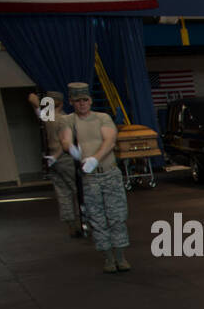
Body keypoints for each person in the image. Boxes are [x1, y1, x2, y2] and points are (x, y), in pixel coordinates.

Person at [59, 82, 130, 273]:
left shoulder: (102, 118)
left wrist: (95, 159)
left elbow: (110, 140)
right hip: (90, 179)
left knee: (117, 216)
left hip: (109, 173)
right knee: (97, 218)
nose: (82, 104)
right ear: (71, 102)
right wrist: (71, 150)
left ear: (90, 100)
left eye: (85, 100)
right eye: (77, 101)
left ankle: (120, 257)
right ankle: (108, 259)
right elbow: (65, 139)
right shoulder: (69, 120)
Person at [28, 90, 80, 237]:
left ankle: (71, 225)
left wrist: (37, 101)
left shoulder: (48, 118)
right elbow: (67, 143)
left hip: (52, 160)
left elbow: (34, 104)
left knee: (63, 193)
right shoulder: (64, 119)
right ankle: (83, 222)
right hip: (64, 158)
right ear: (62, 103)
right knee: (77, 191)